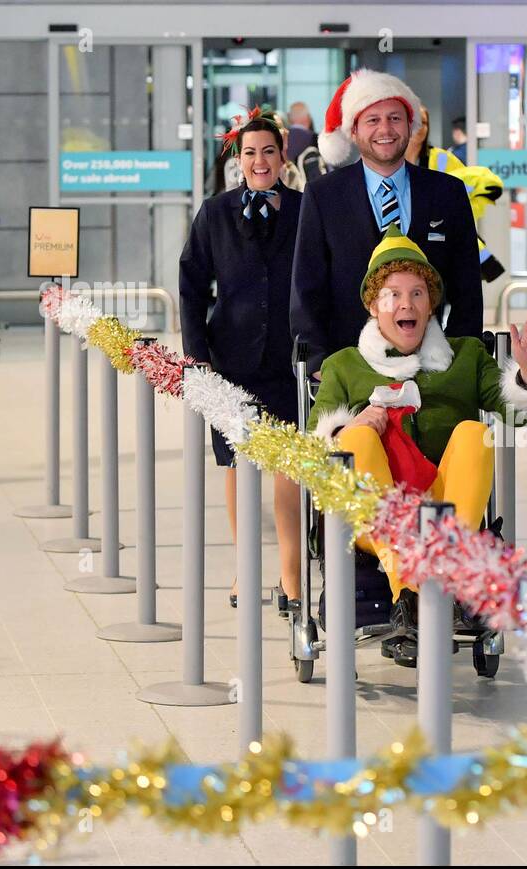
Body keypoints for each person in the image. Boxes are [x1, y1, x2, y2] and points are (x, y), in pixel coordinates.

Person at [308, 226, 527, 666]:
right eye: (392, 294)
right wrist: (353, 424)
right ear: (373, 305)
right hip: (373, 522)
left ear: (431, 305)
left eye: (418, 293)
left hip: (444, 512)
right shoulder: (343, 366)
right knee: (355, 438)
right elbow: (314, 451)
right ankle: (413, 587)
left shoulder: (465, 357)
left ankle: (439, 578)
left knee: (473, 432)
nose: (406, 304)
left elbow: (521, 414)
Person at [179, 109, 304, 611]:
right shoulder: (215, 213)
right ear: (237, 158)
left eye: (268, 152)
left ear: (282, 157)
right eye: (249, 152)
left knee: (289, 466)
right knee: (238, 461)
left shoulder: (305, 208)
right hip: (231, 359)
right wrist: (197, 356)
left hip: (289, 357)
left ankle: (291, 576)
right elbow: (190, 286)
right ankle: (245, 569)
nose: (259, 161)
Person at [289, 70, 484, 379]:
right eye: (372, 120)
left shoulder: (447, 192)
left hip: (432, 371)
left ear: (410, 125)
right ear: (353, 131)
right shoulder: (323, 195)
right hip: (349, 371)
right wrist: (317, 363)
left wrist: (459, 358)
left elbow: (467, 289)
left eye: (395, 118)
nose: (385, 129)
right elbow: (307, 285)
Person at [406, 106, 508, 282]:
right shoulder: (390, 161)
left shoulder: (440, 158)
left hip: (437, 238)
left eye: (424, 122)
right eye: (415, 122)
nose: (420, 128)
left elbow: (462, 187)